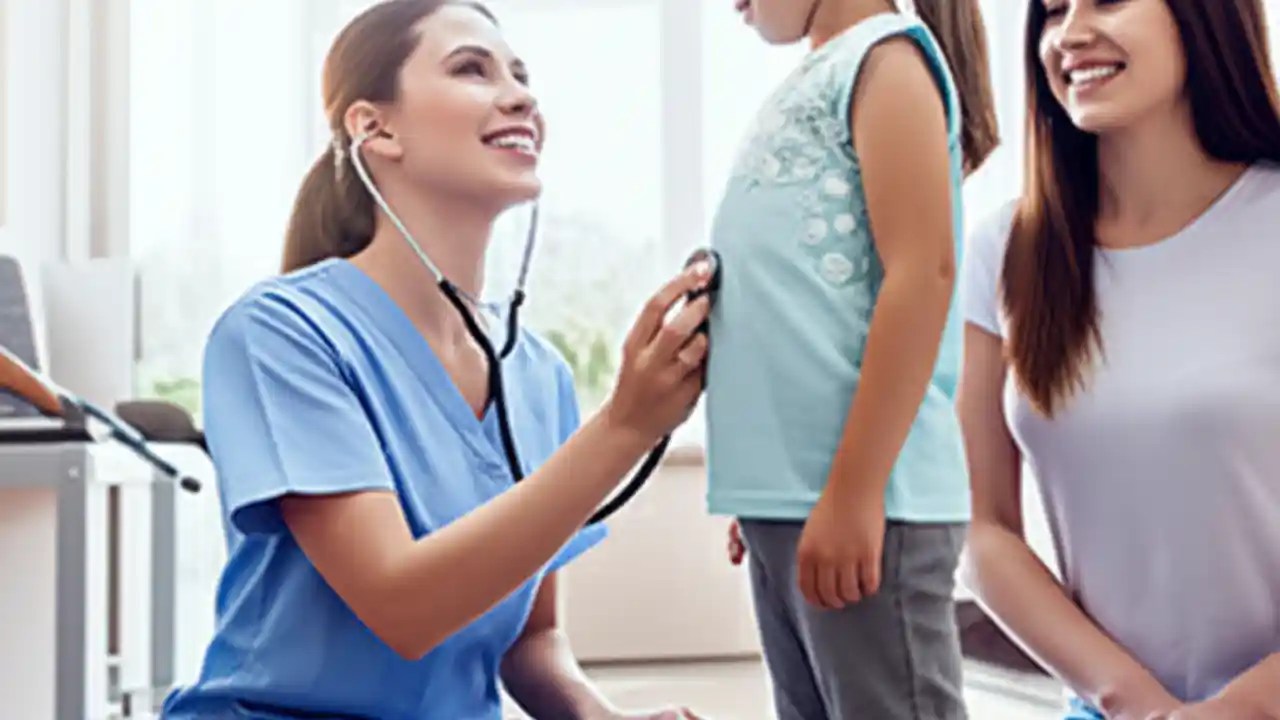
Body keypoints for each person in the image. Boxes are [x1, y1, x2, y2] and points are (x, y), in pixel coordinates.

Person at [161, 2, 712, 718]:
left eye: (520, 74)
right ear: (374, 127)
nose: (521, 96)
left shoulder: (537, 376)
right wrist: (625, 429)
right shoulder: (280, 334)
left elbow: (532, 640)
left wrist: (603, 719)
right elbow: (404, 607)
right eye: (471, 69)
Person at [958, 0, 1280, 718]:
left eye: (1106, 0)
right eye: (1050, 12)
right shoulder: (1005, 252)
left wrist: (1244, 708)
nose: (1069, 35)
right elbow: (981, 527)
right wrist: (1138, 704)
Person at [706, 0, 999, 718]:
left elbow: (921, 274)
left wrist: (854, 491)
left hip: (867, 501)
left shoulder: (888, 60)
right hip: (796, 499)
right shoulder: (820, 74)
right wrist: (767, 485)